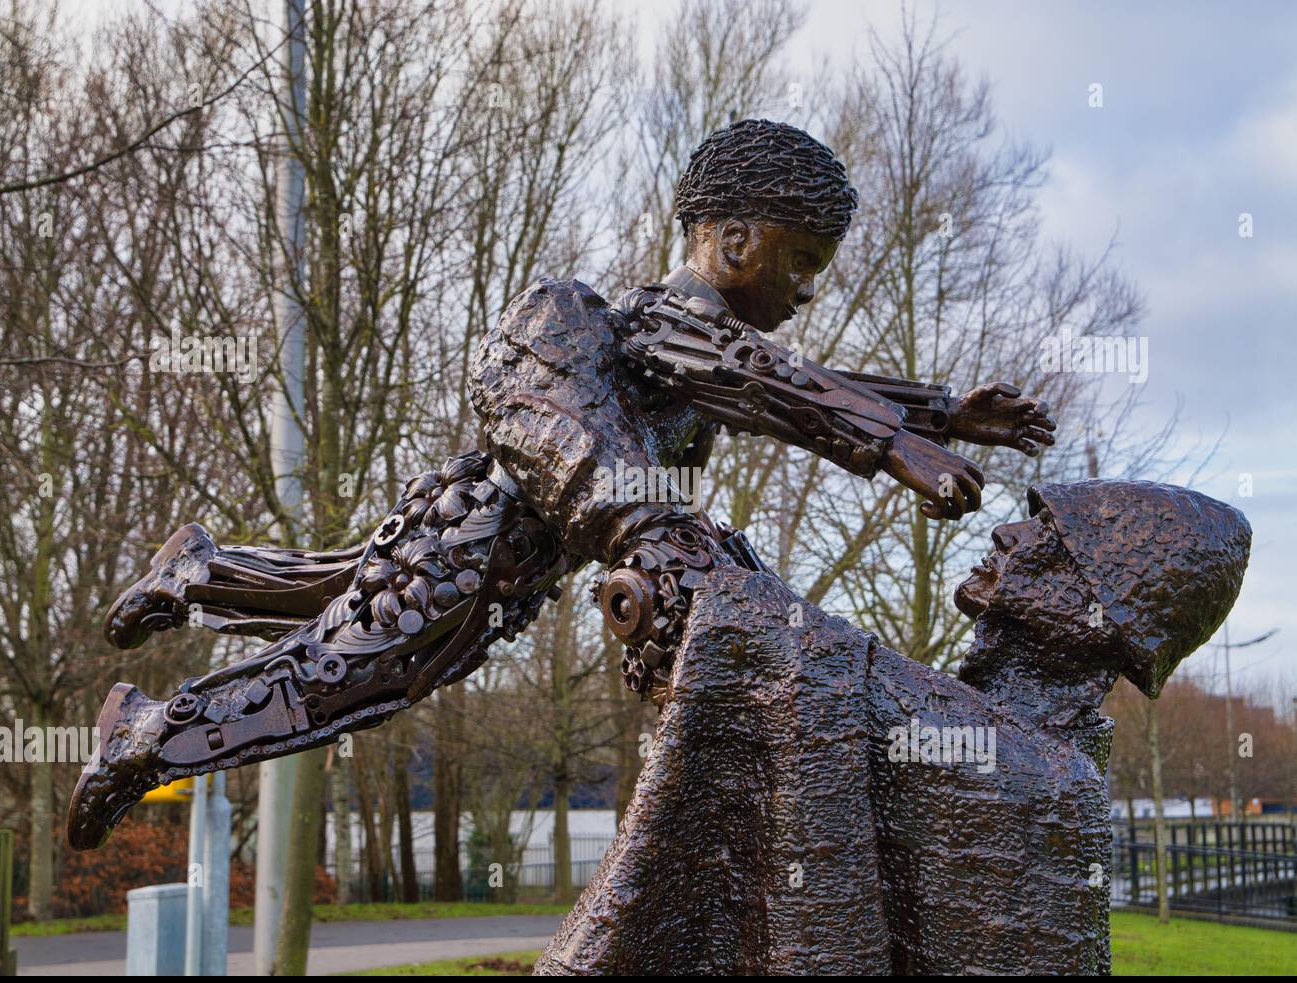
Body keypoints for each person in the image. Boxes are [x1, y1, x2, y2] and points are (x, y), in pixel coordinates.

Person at [67, 120, 1053, 850]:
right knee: (343, 674)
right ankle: (145, 735)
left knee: (350, 597)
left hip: (492, 534)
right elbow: (756, 379)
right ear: (739, 243)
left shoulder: (694, 343)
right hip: (484, 536)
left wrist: (937, 414)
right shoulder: (675, 324)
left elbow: (780, 383)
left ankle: (199, 570)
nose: (806, 292)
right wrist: (894, 443)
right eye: (802, 263)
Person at [533, 480, 1250, 975]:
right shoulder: (993, 739)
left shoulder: (1040, 778)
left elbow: (812, 657)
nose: (1008, 529)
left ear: (1095, 603)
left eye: (1048, 530)